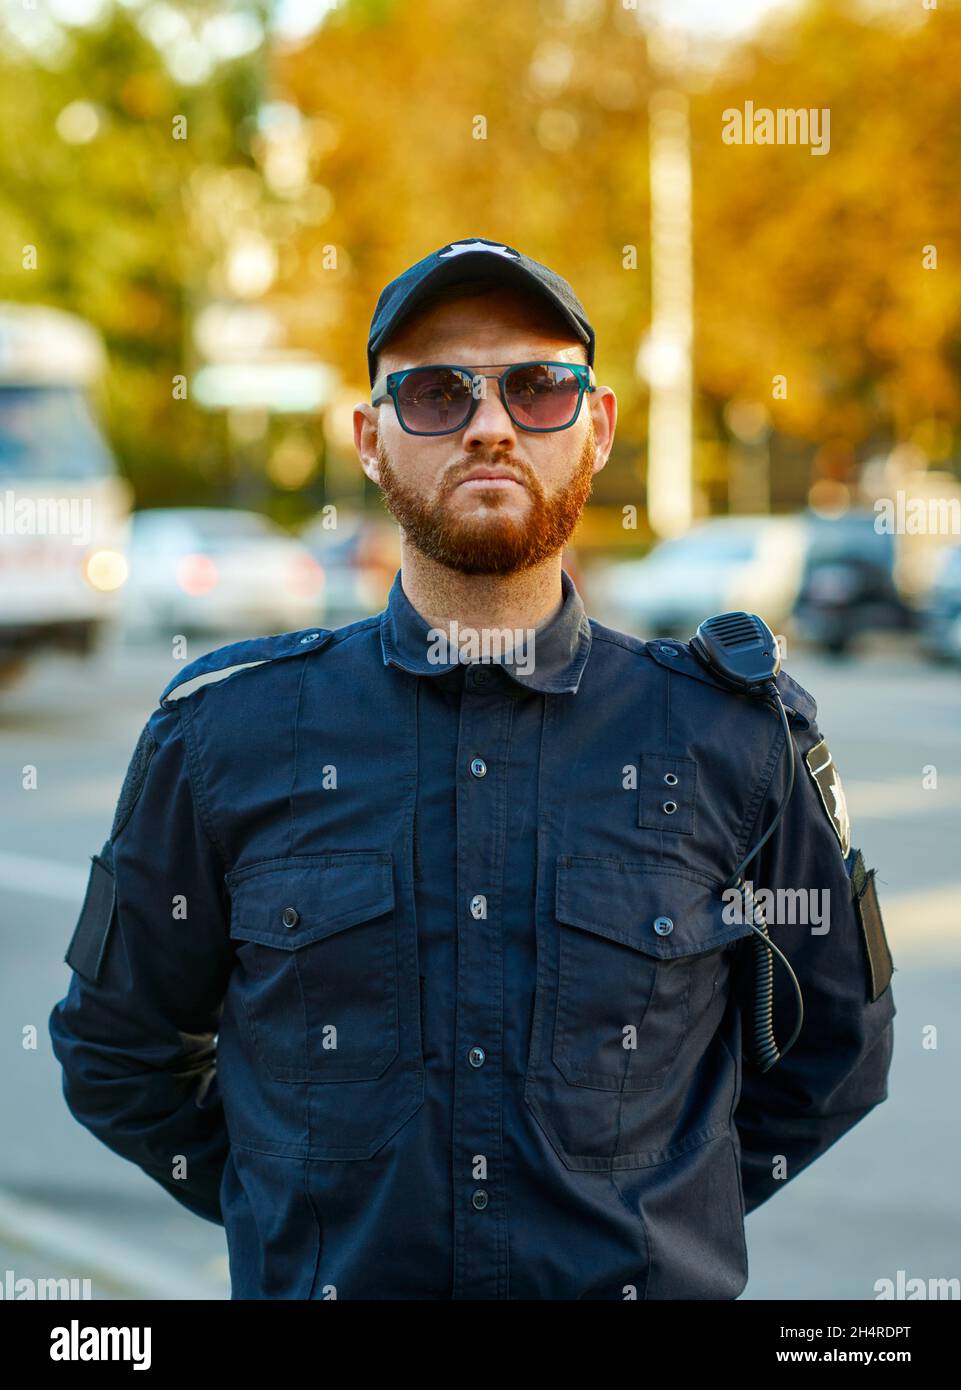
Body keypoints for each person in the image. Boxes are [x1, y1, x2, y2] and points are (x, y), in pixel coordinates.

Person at [49, 236, 896, 1300]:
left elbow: (835, 1054)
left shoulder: (732, 738)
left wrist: (666, 1213)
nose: (491, 424)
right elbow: (116, 1052)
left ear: (596, 428)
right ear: (370, 440)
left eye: (539, 387)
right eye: (437, 392)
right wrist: (290, 1203)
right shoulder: (223, 736)